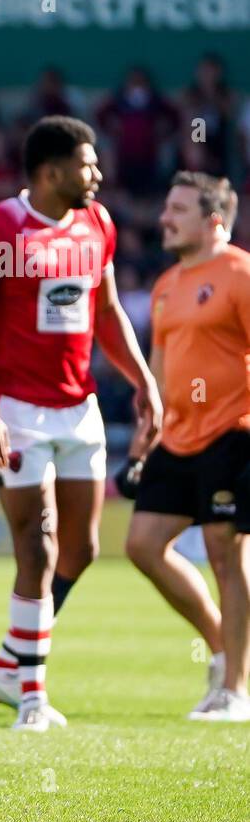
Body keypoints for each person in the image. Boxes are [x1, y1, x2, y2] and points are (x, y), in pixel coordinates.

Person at [0, 116, 162, 732]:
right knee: (36, 550)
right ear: (50, 172)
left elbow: (109, 311)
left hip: (81, 409)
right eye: (86, 164)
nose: (95, 175)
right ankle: (32, 696)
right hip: (18, 414)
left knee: (83, 549)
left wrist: (144, 380)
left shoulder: (98, 224)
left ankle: (7, 664)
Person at [124, 172, 250, 720]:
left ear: (213, 221)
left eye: (177, 210)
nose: (164, 219)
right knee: (142, 544)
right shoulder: (167, 283)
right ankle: (225, 647)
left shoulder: (240, 274)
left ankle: (234, 689)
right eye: (165, 207)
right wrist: (148, 424)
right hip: (176, 438)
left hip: (232, 433)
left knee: (225, 549)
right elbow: (160, 362)